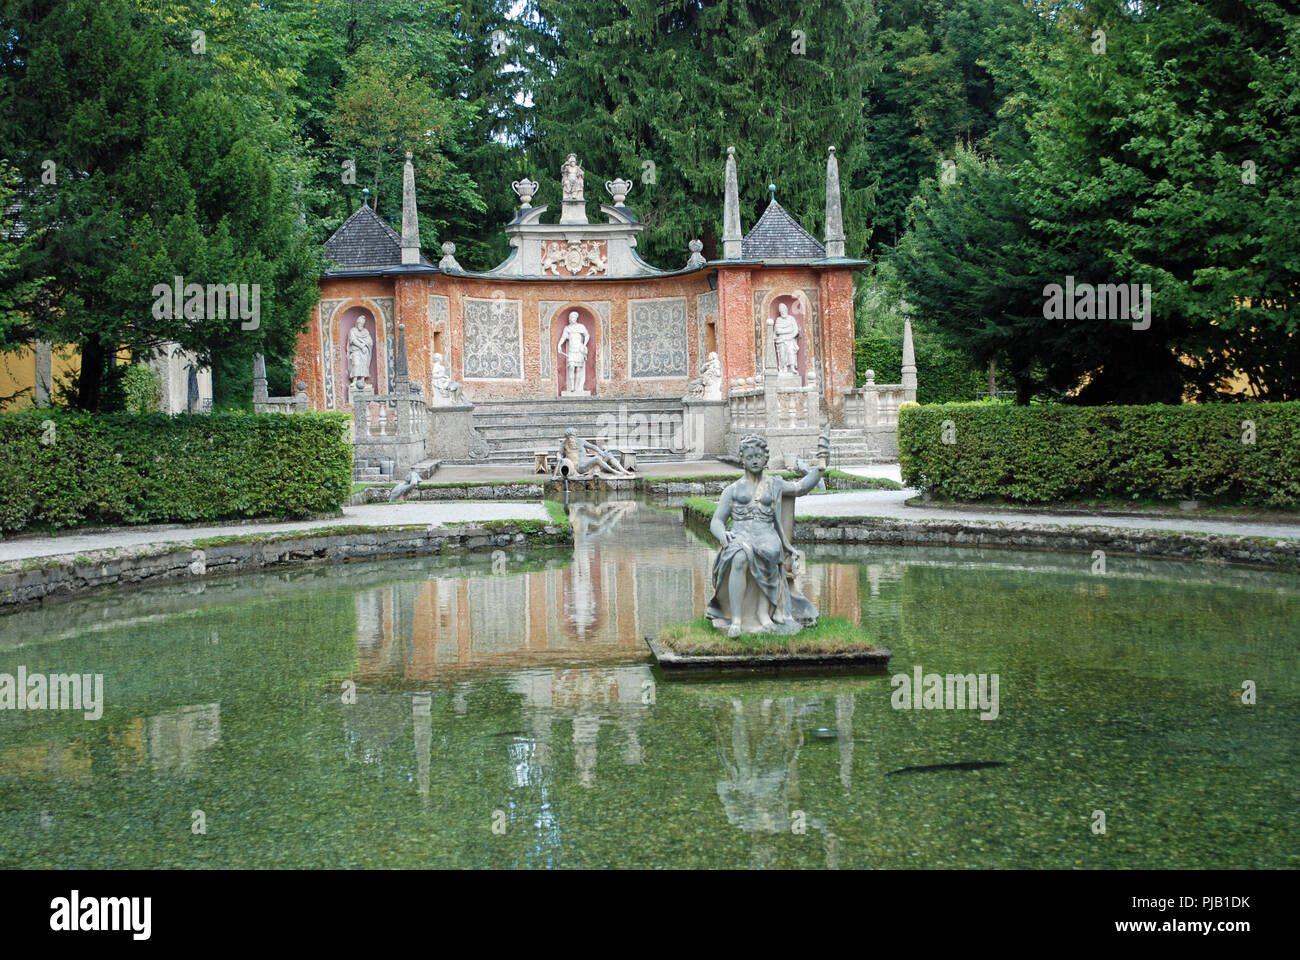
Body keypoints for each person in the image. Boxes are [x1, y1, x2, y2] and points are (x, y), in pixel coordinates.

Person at [707, 434, 821, 637]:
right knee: (740, 557)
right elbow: (716, 521)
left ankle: (763, 614)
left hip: (767, 536)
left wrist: (819, 469)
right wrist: (722, 534)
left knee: (770, 551)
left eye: (758, 456)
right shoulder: (732, 490)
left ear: (765, 458)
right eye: (750, 456)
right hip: (740, 535)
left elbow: (800, 488)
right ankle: (737, 619)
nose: (754, 460)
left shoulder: (774, 485)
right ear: (742, 458)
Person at [557, 312, 590, 394]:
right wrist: (559, 345)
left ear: (576, 318)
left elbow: (587, 335)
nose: (571, 319)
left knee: (578, 368)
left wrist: (584, 345)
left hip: (579, 349)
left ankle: (577, 388)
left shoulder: (581, 327)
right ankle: (571, 386)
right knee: (571, 367)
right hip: (571, 350)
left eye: (573, 317)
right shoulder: (567, 328)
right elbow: (563, 337)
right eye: (570, 317)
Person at [346, 314, 373, 392]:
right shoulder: (352, 330)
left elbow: (370, 341)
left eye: (362, 324)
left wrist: (365, 345)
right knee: (356, 364)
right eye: (359, 323)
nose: (361, 325)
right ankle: (354, 381)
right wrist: (361, 346)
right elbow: (352, 340)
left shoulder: (366, 331)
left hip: (364, 352)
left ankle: (362, 380)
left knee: (364, 365)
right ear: (357, 323)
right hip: (356, 351)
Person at [773, 303, 800, 376]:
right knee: (782, 354)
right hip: (781, 340)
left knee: (790, 353)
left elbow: (795, 330)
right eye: (781, 312)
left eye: (784, 311)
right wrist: (788, 330)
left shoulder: (791, 319)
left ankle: (792, 368)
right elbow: (777, 331)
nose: (783, 313)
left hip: (790, 340)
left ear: (786, 310)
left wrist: (789, 334)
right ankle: (783, 368)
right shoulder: (778, 320)